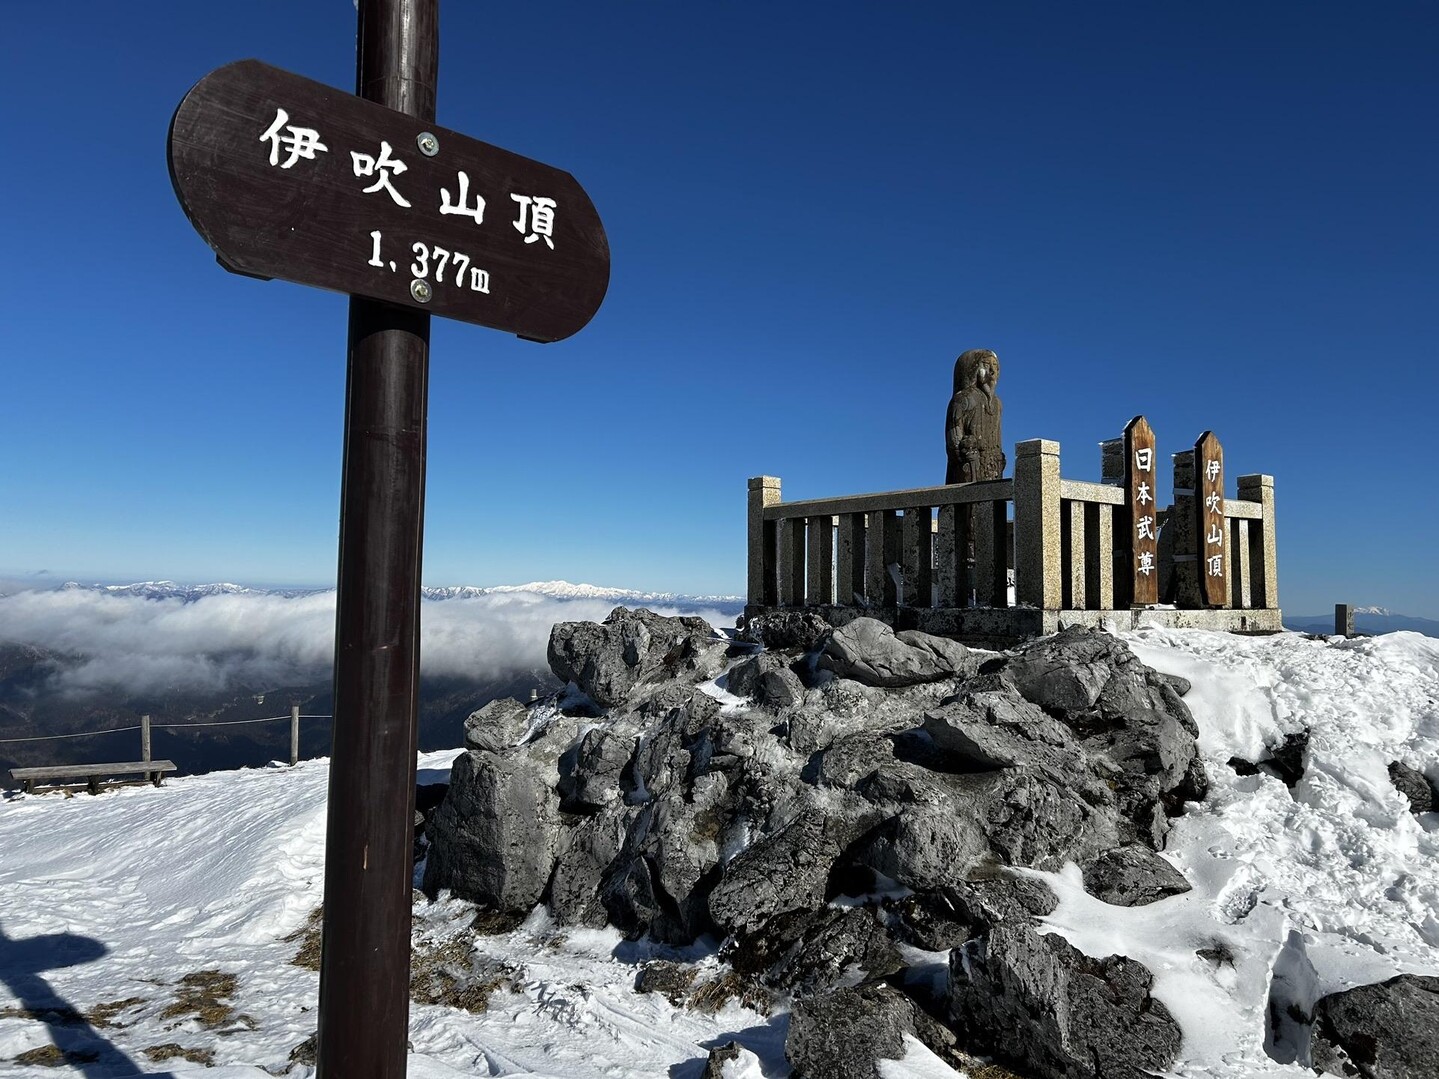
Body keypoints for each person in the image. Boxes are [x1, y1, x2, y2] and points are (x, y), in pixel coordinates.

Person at [945, 348, 1005, 484]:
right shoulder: (963, 399)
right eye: (986, 364)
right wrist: (966, 451)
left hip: (992, 466)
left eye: (995, 366)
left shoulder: (997, 404)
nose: (992, 371)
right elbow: (953, 442)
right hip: (970, 467)